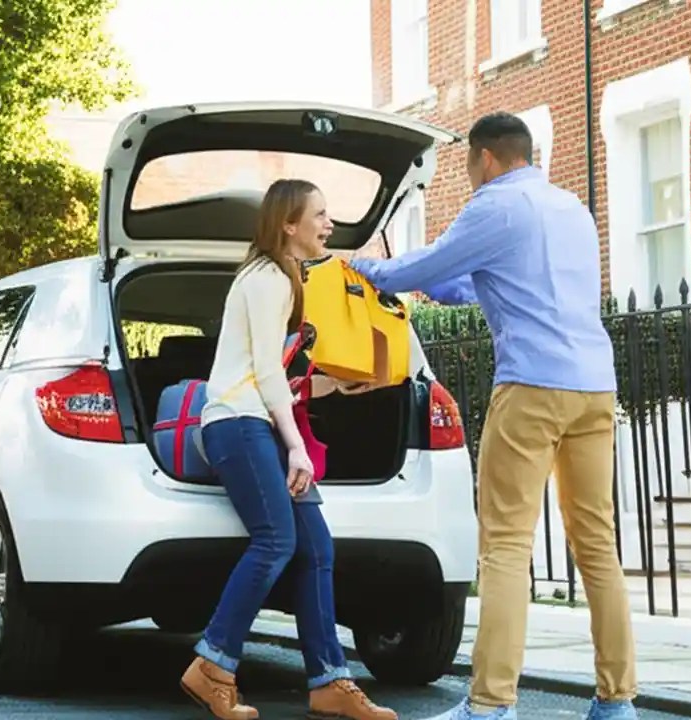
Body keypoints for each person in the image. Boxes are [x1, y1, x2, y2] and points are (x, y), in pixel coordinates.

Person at [350, 113, 638, 720]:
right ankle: (617, 704)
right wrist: (447, 285)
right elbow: (483, 285)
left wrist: (364, 269)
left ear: (485, 158)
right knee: (597, 547)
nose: (469, 178)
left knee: (505, 546)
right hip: (594, 389)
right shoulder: (571, 210)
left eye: (468, 168)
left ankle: (490, 707)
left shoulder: (495, 207)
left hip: (532, 387)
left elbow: (418, 270)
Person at [180, 178, 397, 720]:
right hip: (235, 423)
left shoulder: (286, 277)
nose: (329, 224)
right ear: (288, 225)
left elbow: (281, 375)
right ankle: (211, 666)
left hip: (259, 422)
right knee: (276, 540)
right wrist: (298, 447)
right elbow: (263, 374)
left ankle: (329, 681)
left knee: (316, 547)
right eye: (319, 215)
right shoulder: (268, 278)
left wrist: (336, 386)